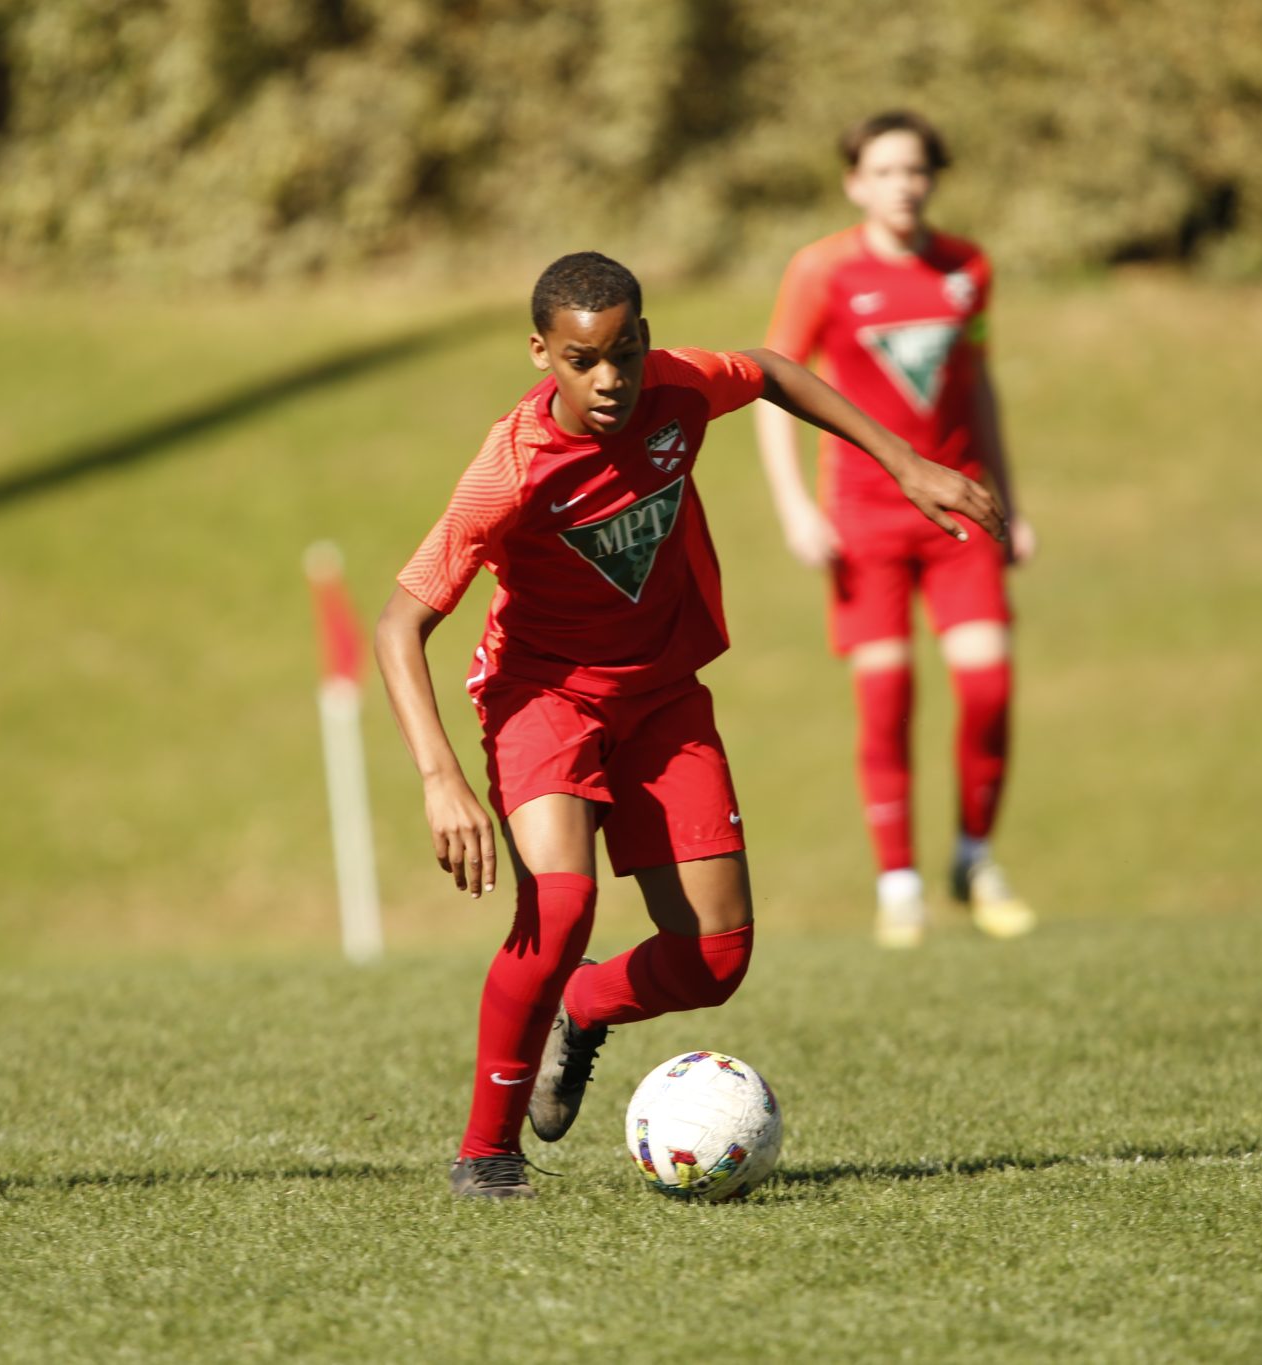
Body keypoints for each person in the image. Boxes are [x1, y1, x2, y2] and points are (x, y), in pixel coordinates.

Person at [376, 251, 1003, 1199]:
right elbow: (400, 622)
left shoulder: (676, 392)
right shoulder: (507, 471)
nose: (610, 380)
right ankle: (487, 1153)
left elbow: (775, 370)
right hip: (541, 696)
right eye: (584, 359)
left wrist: (907, 462)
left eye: (626, 351)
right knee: (560, 906)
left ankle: (578, 1007)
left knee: (715, 958)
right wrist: (438, 777)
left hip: (664, 695)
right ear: (542, 352)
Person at [755, 109, 1038, 949]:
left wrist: (1010, 502)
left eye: (914, 170)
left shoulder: (967, 270)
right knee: (887, 697)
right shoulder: (821, 272)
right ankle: (899, 882)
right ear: (855, 183)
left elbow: (978, 388)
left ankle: (976, 856)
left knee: (987, 686)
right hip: (865, 519)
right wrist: (794, 506)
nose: (901, 185)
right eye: (883, 171)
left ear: (932, 178)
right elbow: (774, 385)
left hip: (960, 509)